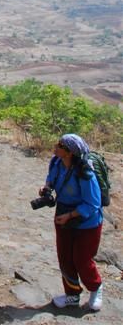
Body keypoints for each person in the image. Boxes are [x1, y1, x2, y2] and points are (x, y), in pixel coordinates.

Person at [38, 133, 104, 311]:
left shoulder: (84, 172)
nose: (55, 146)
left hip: (87, 221)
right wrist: (46, 189)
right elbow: (51, 178)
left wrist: (71, 215)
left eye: (60, 144)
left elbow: (93, 203)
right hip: (63, 214)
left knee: (82, 259)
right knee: (65, 257)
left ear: (69, 152)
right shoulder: (56, 163)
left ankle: (96, 287)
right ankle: (72, 294)